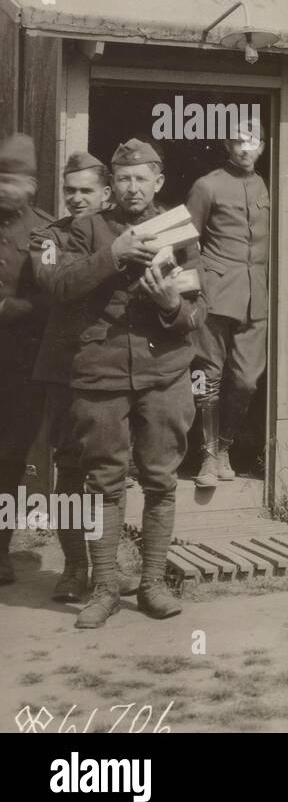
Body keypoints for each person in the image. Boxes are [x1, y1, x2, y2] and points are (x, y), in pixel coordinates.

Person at [49, 138, 206, 628]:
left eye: (142, 178)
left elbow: (197, 313)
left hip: (164, 372)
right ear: (110, 185)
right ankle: (103, 588)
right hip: (101, 373)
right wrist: (112, 254)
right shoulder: (85, 228)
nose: (132, 187)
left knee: (161, 480)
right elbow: (59, 285)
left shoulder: (178, 229)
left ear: (158, 182)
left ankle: (154, 584)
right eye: (123, 178)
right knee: (102, 484)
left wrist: (170, 306)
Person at [28, 152, 113, 600]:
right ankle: (74, 568)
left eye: (87, 190)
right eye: (70, 190)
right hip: (66, 368)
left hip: (118, 367)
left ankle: (107, 570)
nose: (77, 198)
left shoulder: (125, 232)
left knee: (111, 468)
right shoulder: (46, 236)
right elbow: (54, 280)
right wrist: (113, 257)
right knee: (70, 468)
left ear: (107, 193)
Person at [187, 132, 270, 486]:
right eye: (238, 141)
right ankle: (208, 458)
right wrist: (198, 286)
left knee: (247, 381)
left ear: (263, 147)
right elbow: (186, 241)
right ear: (226, 145)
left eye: (253, 142)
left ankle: (224, 446)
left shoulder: (267, 185)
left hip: (257, 298)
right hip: (216, 295)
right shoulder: (207, 186)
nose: (245, 148)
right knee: (208, 375)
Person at [0, 134, 53, 585]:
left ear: (32, 186)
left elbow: (56, 297)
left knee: (10, 459)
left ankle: (1, 551)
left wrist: (11, 309)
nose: (2, 187)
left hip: (16, 368)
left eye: (12, 180)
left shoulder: (46, 233)